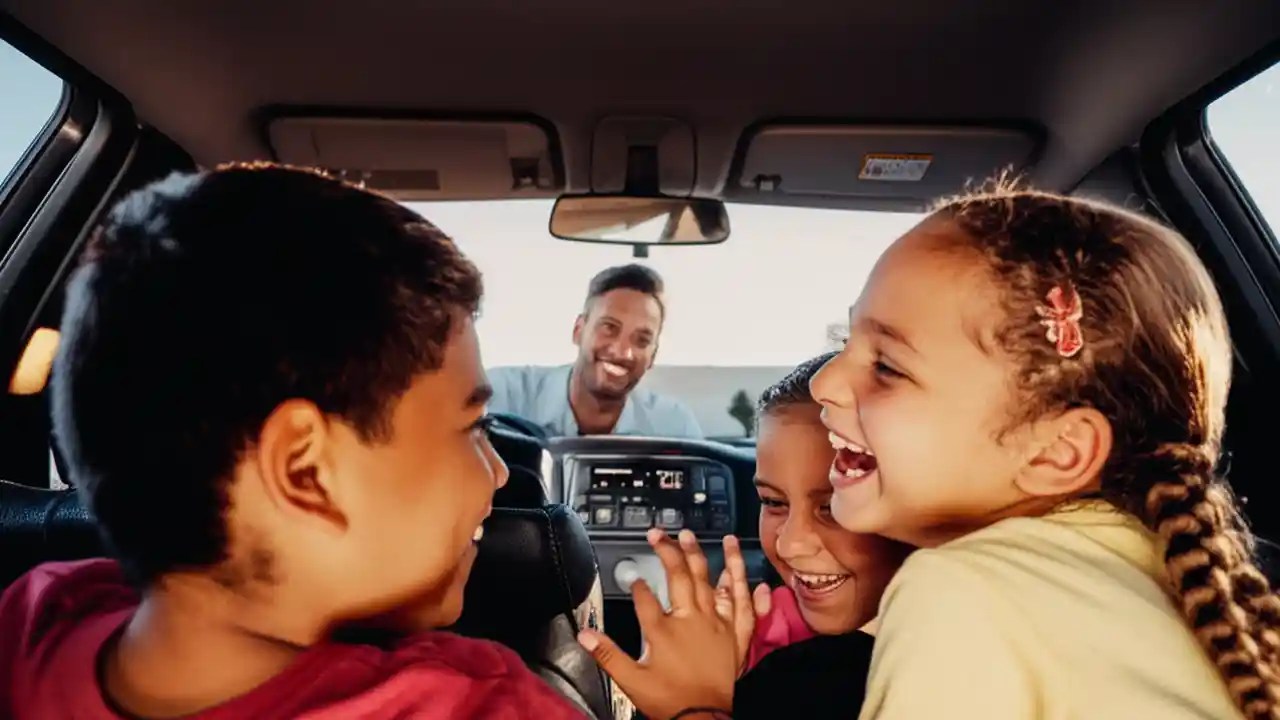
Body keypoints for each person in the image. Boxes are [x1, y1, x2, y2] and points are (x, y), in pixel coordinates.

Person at [580, 185, 1280, 720]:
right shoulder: (1172, 572)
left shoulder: (961, 592)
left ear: (1059, 452)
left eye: (886, 365)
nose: (826, 381)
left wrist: (700, 707)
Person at [0, 164, 587, 719]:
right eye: (472, 428)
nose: (501, 473)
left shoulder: (40, 612)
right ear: (305, 470)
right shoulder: (482, 705)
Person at [728, 352, 913, 718]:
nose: (789, 544)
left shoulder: (793, 687)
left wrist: (692, 705)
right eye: (772, 502)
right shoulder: (762, 642)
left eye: (831, 507)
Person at [486, 264, 702, 438]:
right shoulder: (502, 396)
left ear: (653, 355)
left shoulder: (674, 426)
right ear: (578, 330)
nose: (622, 352)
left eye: (641, 340)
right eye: (609, 328)